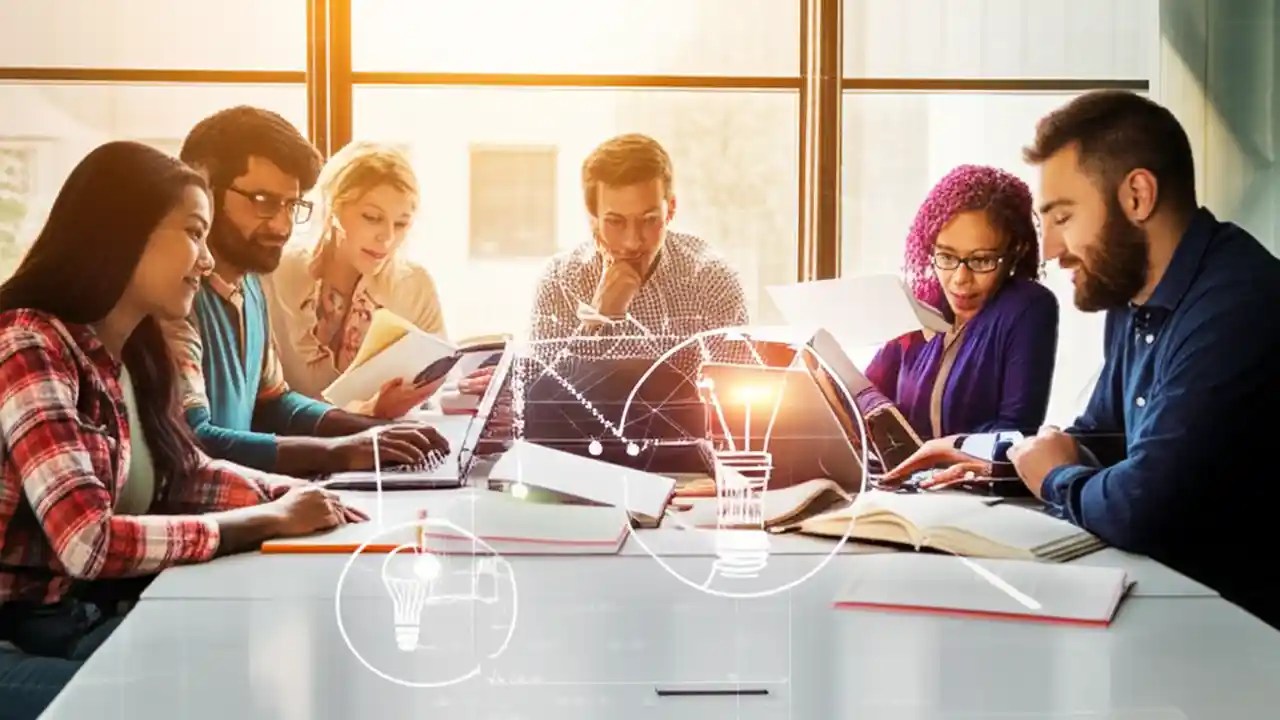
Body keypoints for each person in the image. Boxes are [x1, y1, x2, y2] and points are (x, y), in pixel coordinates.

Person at [0, 142, 362, 719]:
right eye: (195, 233)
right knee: (179, 702)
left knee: (228, 668)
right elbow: (86, 542)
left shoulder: (134, 351)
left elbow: (184, 474)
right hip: (13, 641)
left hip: (64, 621)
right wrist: (263, 520)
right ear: (123, 232)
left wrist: (297, 497)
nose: (207, 261)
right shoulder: (28, 343)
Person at [914, 91, 1280, 627]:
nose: (1049, 250)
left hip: (1242, 640)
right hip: (1172, 609)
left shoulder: (1237, 305)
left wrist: (1053, 479)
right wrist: (1003, 466)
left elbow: (1140, 506)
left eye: (1062, 217)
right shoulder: (1134, 297)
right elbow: (1100, 440)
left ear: (1137, 195)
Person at [166, 107, 449, 475]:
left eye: (291, 205)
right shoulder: (174, 296)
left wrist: (376, 433)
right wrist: (340, 452)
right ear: (202, 190)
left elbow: (274, 401)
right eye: (264, 202)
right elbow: (195, 440)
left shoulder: (250, 283)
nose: (282, 225)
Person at [859, 165, 1058, 463]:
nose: (960, 279)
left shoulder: (1028, 308)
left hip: (975, 496)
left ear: (1016, 250)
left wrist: (947, 448)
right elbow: (865, 388)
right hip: (908, 485)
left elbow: (1016, 435)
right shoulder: (920, 305)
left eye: (981, 261)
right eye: (947, 257)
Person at [263, 140, 456, 419]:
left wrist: (461, 388)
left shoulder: (415, 286)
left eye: (401, 224)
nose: (387, 238)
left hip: (386, 451)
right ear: (333, 208)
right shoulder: (275, 275)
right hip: (288, 451)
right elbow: (259, 402)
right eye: (372, 217)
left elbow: (440, 389)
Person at [527, 133, 750, 362]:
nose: (632, 242)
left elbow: (738, 385)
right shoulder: (559, 282)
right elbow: (540, 391)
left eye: (649, 219)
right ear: (593, 215)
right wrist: (599, 319)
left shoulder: (712, 280)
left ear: (670, 209)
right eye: (615, 222)